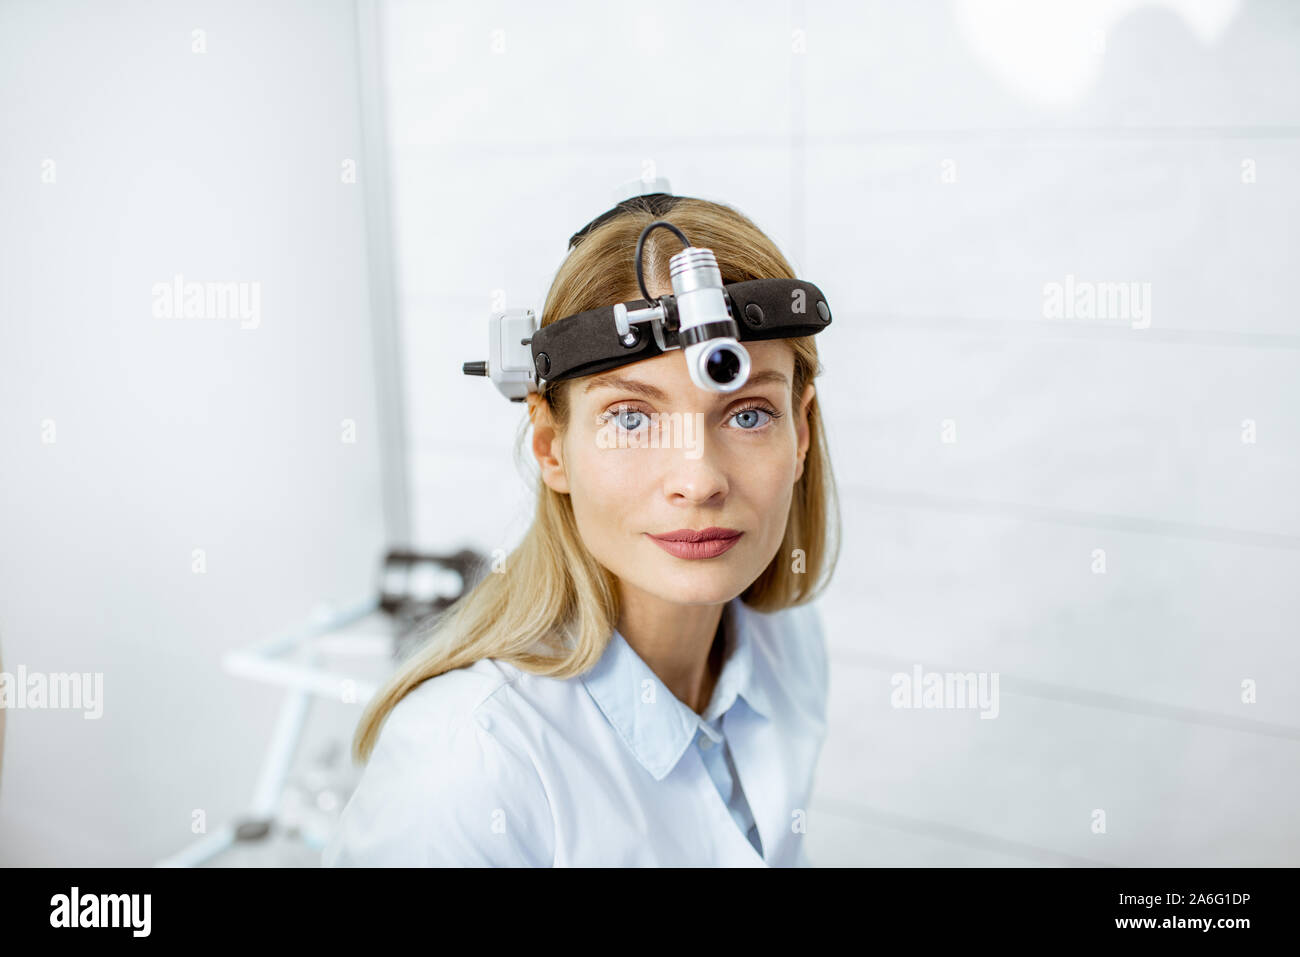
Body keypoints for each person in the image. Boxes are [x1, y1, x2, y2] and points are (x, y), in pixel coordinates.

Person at [324, 194, 840, 866]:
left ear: (800, 431)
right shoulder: (466, 770)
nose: (699, 479)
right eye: (631, 417)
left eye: (747, 415)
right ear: (550, 447)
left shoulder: (786, 645)